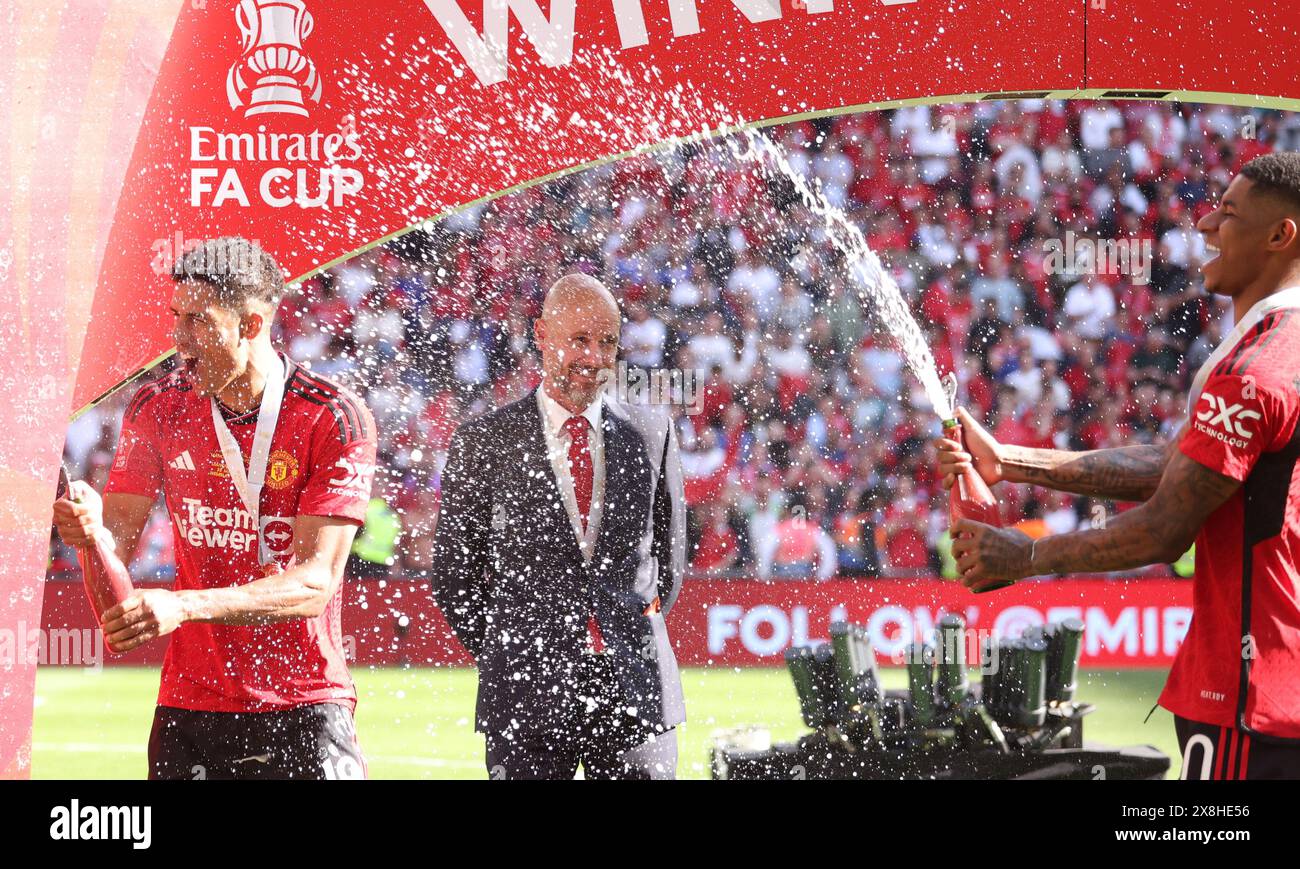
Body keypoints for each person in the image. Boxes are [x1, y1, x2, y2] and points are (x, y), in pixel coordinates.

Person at [934, 152, 1300, 779]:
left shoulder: (1252, 370)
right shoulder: (1279, 355)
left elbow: (1166, 527)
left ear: (1280, 235)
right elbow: (1181, 465)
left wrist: (1023, 558)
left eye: (1228, 213)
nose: (1206, 225)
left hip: (1252, 691)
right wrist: (1013, 461)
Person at [52, 237, 377, 780]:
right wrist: (89, 534)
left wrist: (184, 605)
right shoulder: (158, 406)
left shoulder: (333, 417)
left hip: (303, 701)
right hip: (190, 705)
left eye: (198, 322)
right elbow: (117, 570)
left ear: (251, 325)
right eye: (175, 318)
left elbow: (315, 583)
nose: (179, 341)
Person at [430, 273, 686, 780]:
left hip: (635, 690)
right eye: (579, 340)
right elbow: (455, 578)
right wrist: (516, 644)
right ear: (542, 334)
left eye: (607, 342)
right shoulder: (485, 440)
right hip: (525, 693)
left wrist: (625, 630)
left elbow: (670, 560)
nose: (594, 357)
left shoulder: (652, 430)